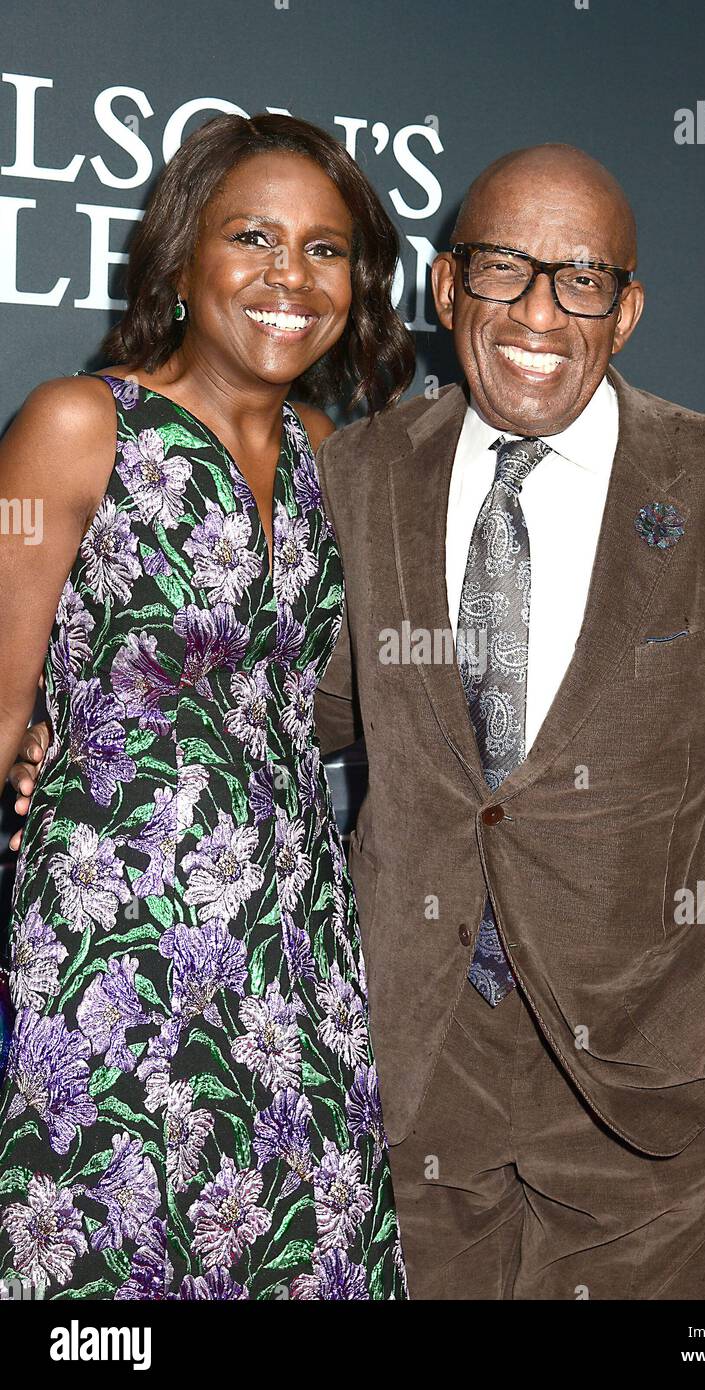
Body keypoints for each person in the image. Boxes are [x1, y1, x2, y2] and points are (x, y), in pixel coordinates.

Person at [11, 143, 705, 1302]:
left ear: (625, 312)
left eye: (581, 279)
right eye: (504, 269)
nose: (537, 311)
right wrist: (72, 729)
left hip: (651, 1092)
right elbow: (271, 689)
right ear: (446, 288)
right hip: (400, 1071)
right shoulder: (357, 471)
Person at [0, 112, 413, 1300]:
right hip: (116, 944)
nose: (291, 277)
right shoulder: (79, 427)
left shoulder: (329, 450)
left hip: (297, 951)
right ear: (183, 258)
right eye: (253, 237)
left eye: (325, 249)